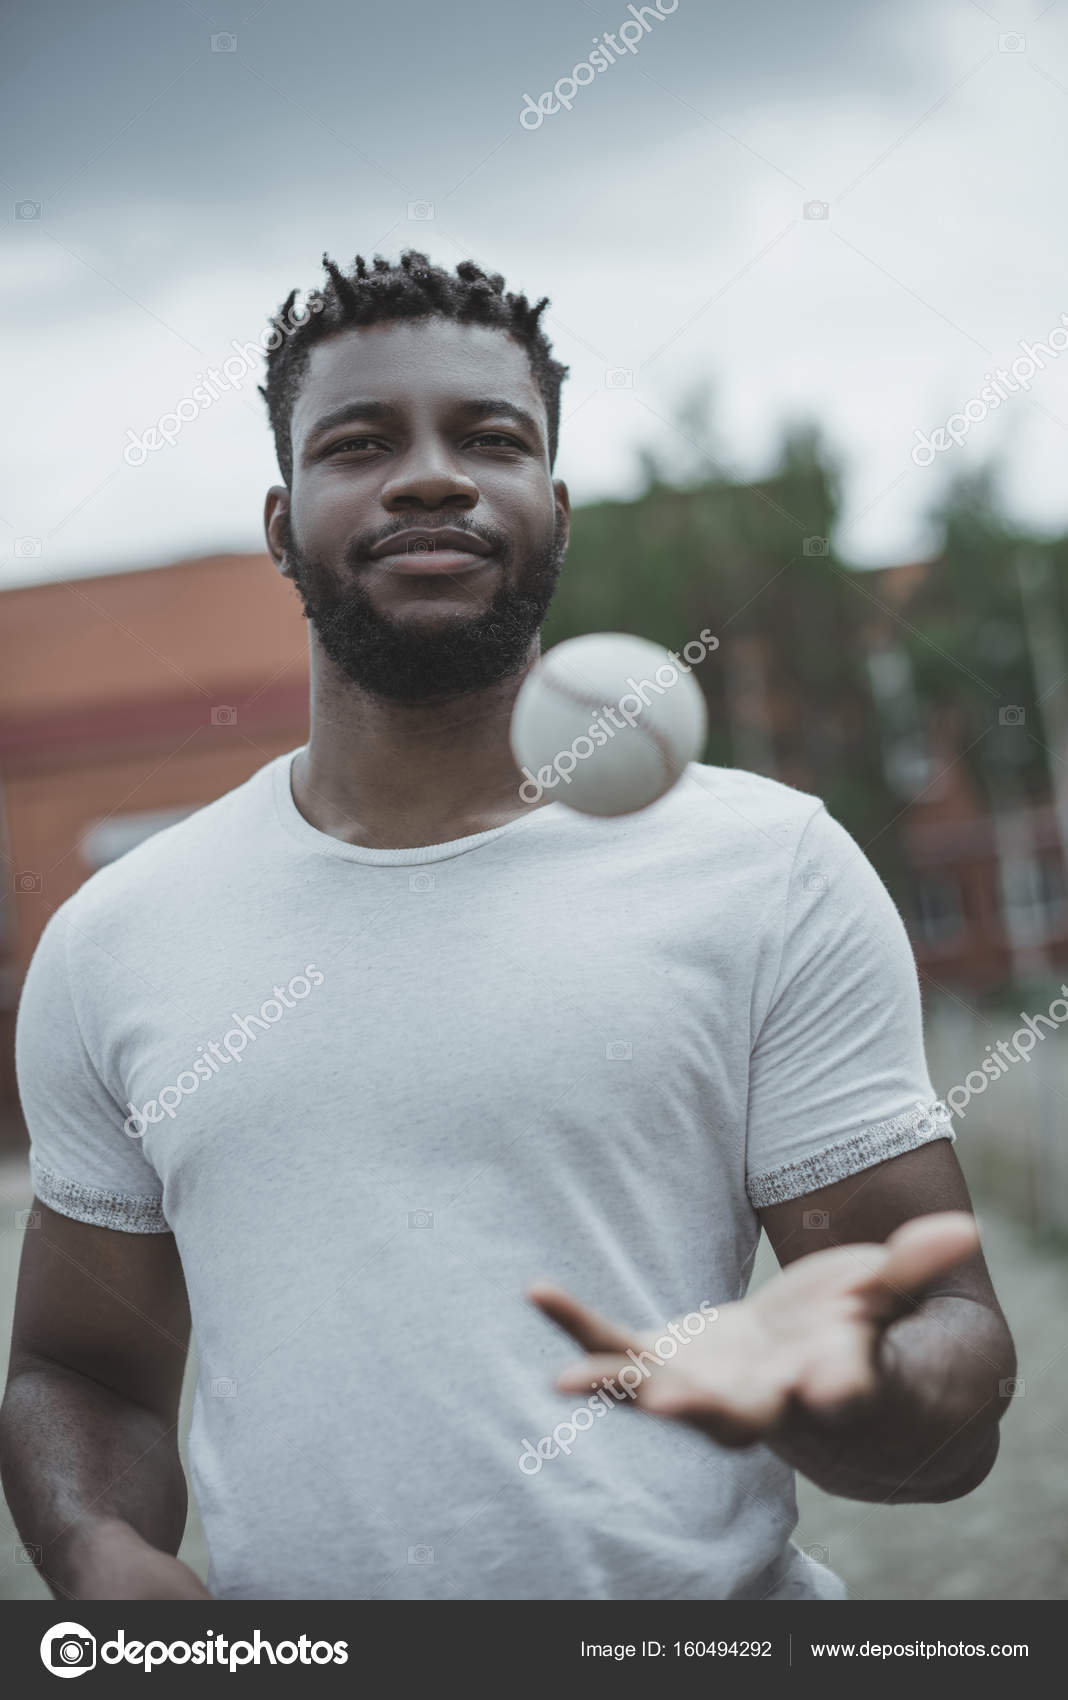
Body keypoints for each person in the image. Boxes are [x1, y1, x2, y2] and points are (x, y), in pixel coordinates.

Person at [1, 251, 1015, 1602]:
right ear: (279, 519)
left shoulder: (766, 870)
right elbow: (81, 1367)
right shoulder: (117, 937)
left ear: (557, 507)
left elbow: (948, 1369)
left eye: (491, 438)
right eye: (360, 443)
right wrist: (94, 1550)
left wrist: (853, 1389)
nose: (431, 475)